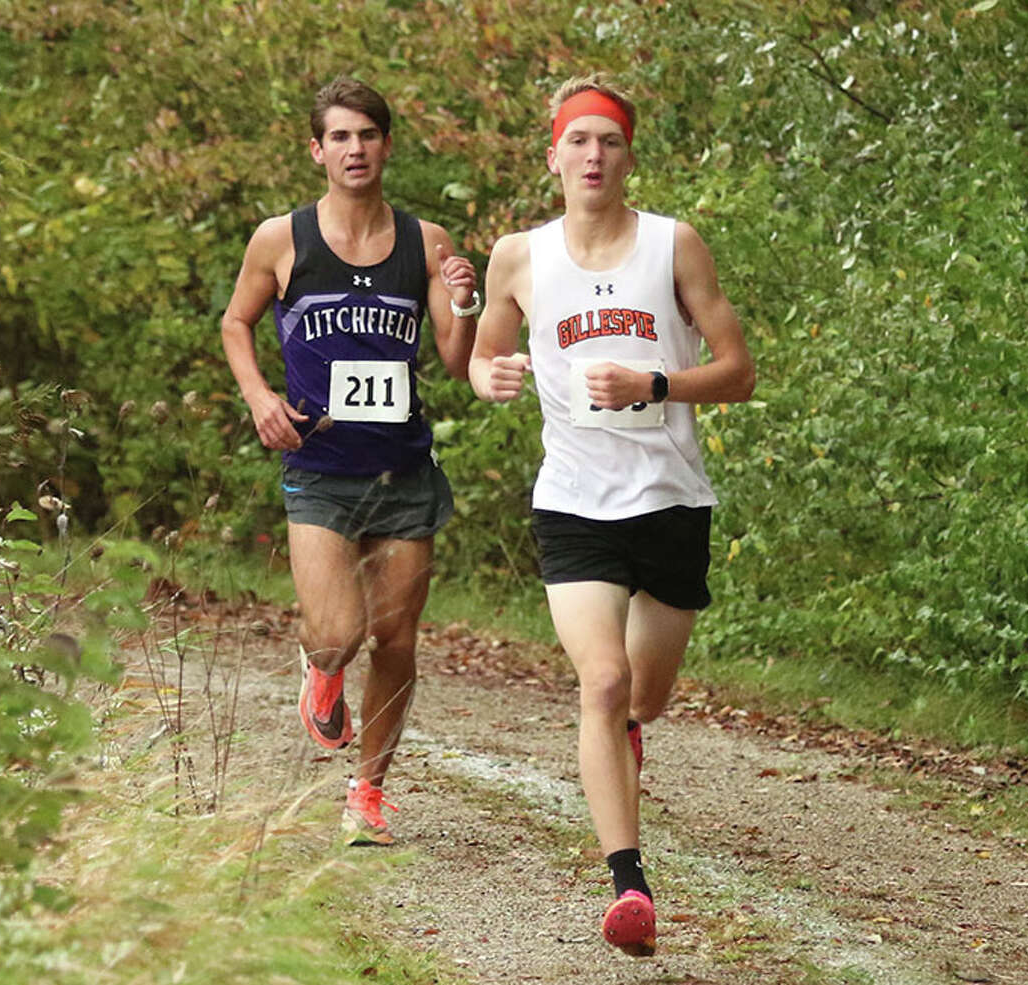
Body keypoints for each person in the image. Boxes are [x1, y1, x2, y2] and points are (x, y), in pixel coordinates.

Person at [469, 75, 755, 956]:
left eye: (611, 142)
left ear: (630, 156)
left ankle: (628, 726)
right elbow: (483, 356)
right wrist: (495, 376)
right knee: (601, 681)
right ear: (553, 154)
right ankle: (629, 884)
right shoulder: (519, 256)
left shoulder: (674, 246)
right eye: (579, 141)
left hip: (670, 501)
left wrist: (656, 383)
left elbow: (739, 372)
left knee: (646, 695)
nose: (594, 156)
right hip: (574, 502)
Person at [221, 76, 479, 846]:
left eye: (367, 134)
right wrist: (261, 397)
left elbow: (455, 357)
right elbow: (236, 323)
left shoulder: (424, 241)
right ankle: (323, 669)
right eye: (339, 136)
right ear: (317, 150)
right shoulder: (282, 238)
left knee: (397, 638)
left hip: (403, 470)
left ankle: (367, 793)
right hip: (320, 468)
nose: (355, 148)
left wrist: (465, 300)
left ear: (387, 145)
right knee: (338, 630)